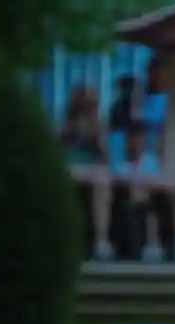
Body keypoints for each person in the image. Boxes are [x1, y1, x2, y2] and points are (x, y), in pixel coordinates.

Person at [60, 85, 113, 261]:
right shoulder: (66, 125)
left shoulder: (98, 126)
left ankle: (101, 241)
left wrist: (97, 136)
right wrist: (72, 129)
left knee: (102, 181)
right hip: (69, 167)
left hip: (91, 170)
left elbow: (105, 159)